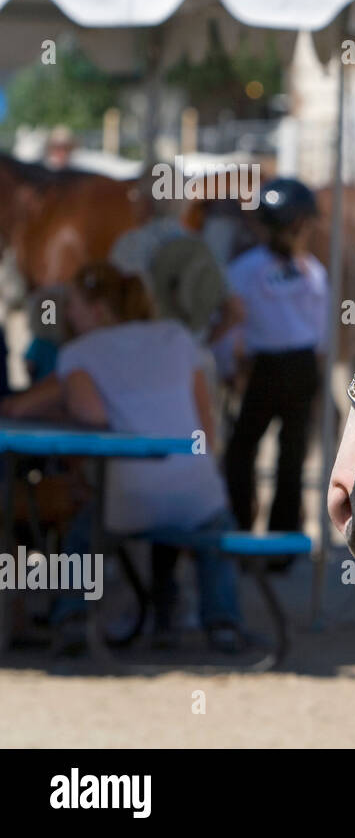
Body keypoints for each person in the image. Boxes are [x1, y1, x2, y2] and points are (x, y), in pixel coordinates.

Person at [0, 262, 246, 653]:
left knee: (84, 532)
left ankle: (72, 617)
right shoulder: (177, 336)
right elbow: (206, 426)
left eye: (74, 307)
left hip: (129, 498)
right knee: (208, 523)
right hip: (197, 491)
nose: (67, 316)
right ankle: (221, 622)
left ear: (98, 309)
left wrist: (56, 406)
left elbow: (91, 413)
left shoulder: (80, 352)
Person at [222, 177, 327, 565]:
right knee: (291, 453)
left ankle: (240, 531)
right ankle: (282, 542)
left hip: (267, 366)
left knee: (243, 449)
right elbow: (319, 329)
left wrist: (229, 365)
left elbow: (232, 324)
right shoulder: (312, 271)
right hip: (299, 365)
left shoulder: (244, 268)